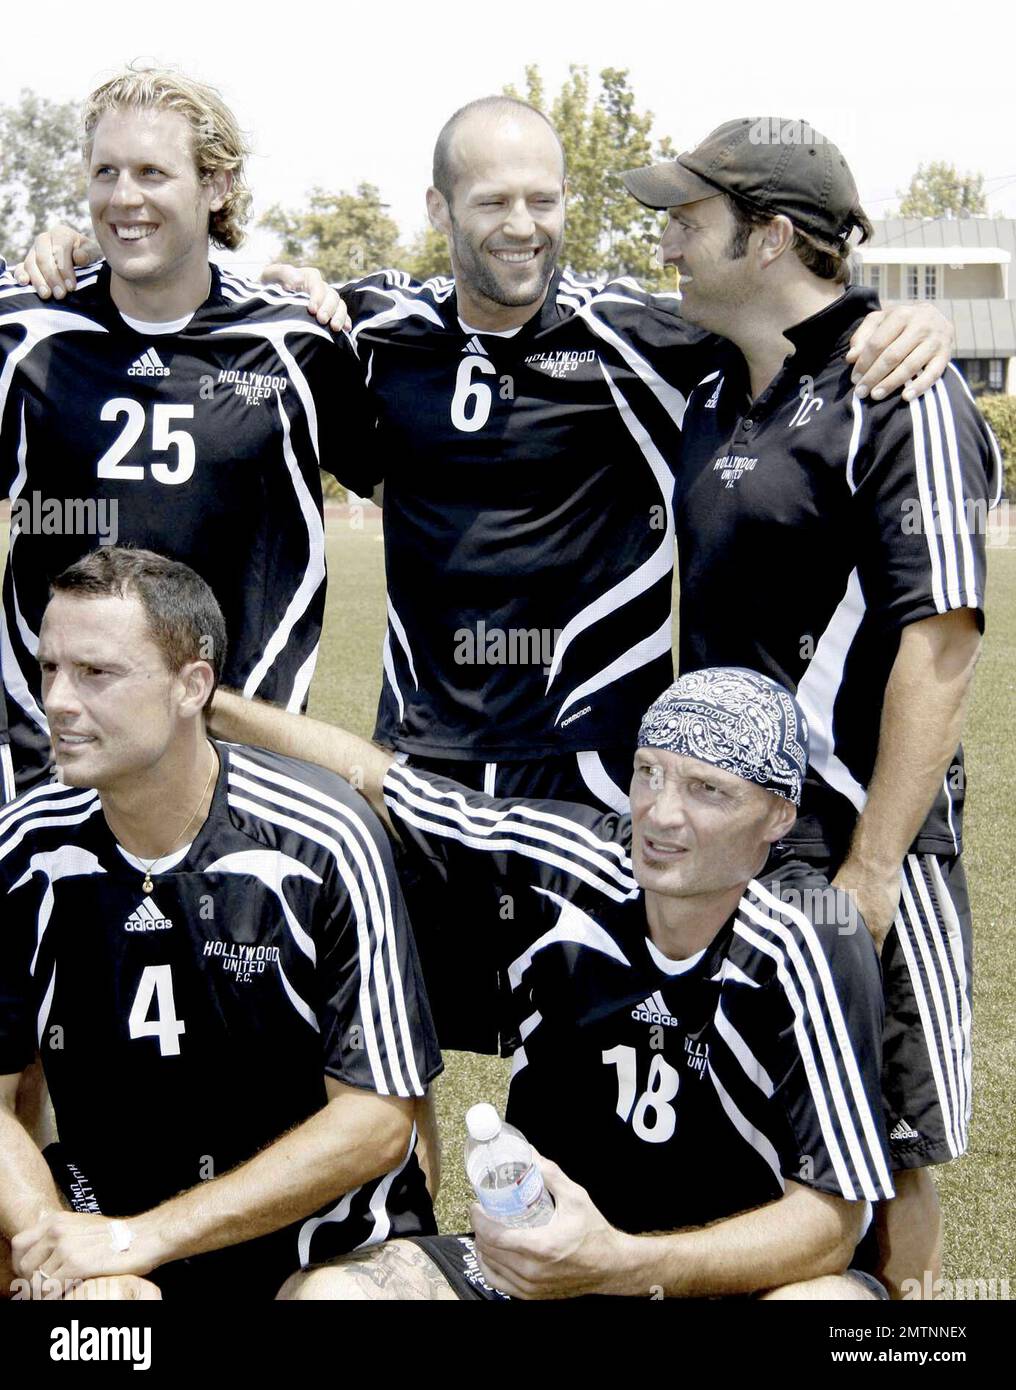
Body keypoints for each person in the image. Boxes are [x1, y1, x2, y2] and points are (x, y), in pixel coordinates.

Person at [20, 96, 954, 1054]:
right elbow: (217, 296)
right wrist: (68, 250)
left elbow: (794, 322)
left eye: (542, 200)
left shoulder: (642, 338)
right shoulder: (370, 328)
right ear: (439, 211)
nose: (521, 224)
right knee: (386, 1044)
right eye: (492, 200)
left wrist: (901, 316)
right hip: (416, 763)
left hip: (586, 772)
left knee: (588, 1053)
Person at [620, 117, 1002, 1296]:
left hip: (852, 846)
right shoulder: (708, 377)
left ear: (771, 234)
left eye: (689, 220)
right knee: (755, 1138)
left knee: (878, 1157)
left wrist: (875, 868)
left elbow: (939, 647)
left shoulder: (902, 396)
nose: (668, 244)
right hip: (732, 842)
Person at [208, 667, 893, 1300]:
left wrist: (624, 1262)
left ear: (779, 816)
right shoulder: (569, 861)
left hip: (719, 1277)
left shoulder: (809, 937)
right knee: (332, 1295)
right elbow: (383, 782)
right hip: (546, 1267)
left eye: (707, 789)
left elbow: (830, 1223)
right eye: (648, 773)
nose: (660, 814)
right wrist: (200, 703)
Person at [0, 547, 441, 1300]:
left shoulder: (325, 839)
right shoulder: (26, 845)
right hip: (103, 1227)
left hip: (316, 1250)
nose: (59, 703)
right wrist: (57, 1245)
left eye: (95, 673)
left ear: (191, 685)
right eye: (48, 670)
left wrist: (140, 1240)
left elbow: (375, 1121)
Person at [0, 65, 369, 807]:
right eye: (106, 171)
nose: (123, 198)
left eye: (151, 172)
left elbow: (423, 492)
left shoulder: (296, 343)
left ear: (217, 185)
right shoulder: (23, 333)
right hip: (52, 757)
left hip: (240, 756)